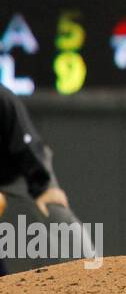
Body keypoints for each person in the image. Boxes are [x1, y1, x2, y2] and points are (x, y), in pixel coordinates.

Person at [0, 83, 72, 275]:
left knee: (55, 211)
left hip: (19, 167)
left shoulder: (3, 98)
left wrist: (43, 186)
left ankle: (91, 269)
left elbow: (25, 143)